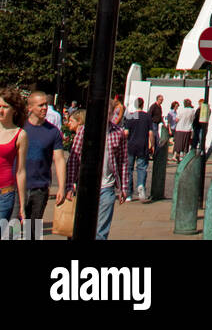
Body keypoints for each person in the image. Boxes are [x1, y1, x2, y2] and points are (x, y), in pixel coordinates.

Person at [66, 110, 128, 240]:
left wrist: (124, 187)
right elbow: (73, 158)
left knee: (100, 233)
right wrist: (69, 185)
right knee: (78, 229)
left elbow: (123, 161)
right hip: (85, 186)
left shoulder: (118, 133)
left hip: (107, 187)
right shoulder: (84, 130)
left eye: (111, 113)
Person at [25, 90, 66, 227]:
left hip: (40, 187)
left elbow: (59, 159)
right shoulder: (21, 127)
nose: (44, 108)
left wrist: (61, 187)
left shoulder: (53, 131)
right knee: (13, 230)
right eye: (40, 105)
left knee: (34, 230)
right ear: (30, 107)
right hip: (18, 187)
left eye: (46, 105)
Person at [0, 88, 28, 222]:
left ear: (14, 110)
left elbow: (20, 171)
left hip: (5, 195)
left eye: (5, 107)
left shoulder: (20, 134)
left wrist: (22, 205)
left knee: (11, 231)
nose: (1, 110)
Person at [123, 97, 154, 200]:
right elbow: (151, 133)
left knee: (129, 169)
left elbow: (126, 133)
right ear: (143, 104)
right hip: (143, 145)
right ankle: (140, 185)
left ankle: (128, 194)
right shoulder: (147, 117)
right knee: (142, 168)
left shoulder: (130, 116)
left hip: (131, 145)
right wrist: (152, 145)